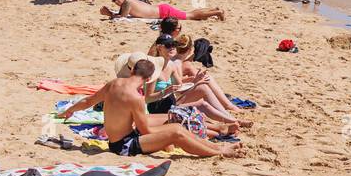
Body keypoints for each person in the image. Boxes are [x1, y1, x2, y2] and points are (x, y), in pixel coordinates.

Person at [59, 59, 240, 158]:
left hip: (119, 137)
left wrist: (70, 110)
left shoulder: (114, 84)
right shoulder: (136, 98)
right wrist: (166, 138)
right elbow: (145, 131)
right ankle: (218, 151)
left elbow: (88, 101)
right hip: (124, 146)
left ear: (132, 71)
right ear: (148, 79)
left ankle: (215, 140)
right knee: (176, 130)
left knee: (171, 116)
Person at [100, 0, 224, 21]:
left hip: (163, 12)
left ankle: (217, 12)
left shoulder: (127, 2)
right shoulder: (128, 1)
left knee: (190, 15)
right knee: (189, 13)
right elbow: (122, 15)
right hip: (161, 10)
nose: (116, 1)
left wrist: (109, 14)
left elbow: (122, 17)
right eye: (114, 0)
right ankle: (214, 10)